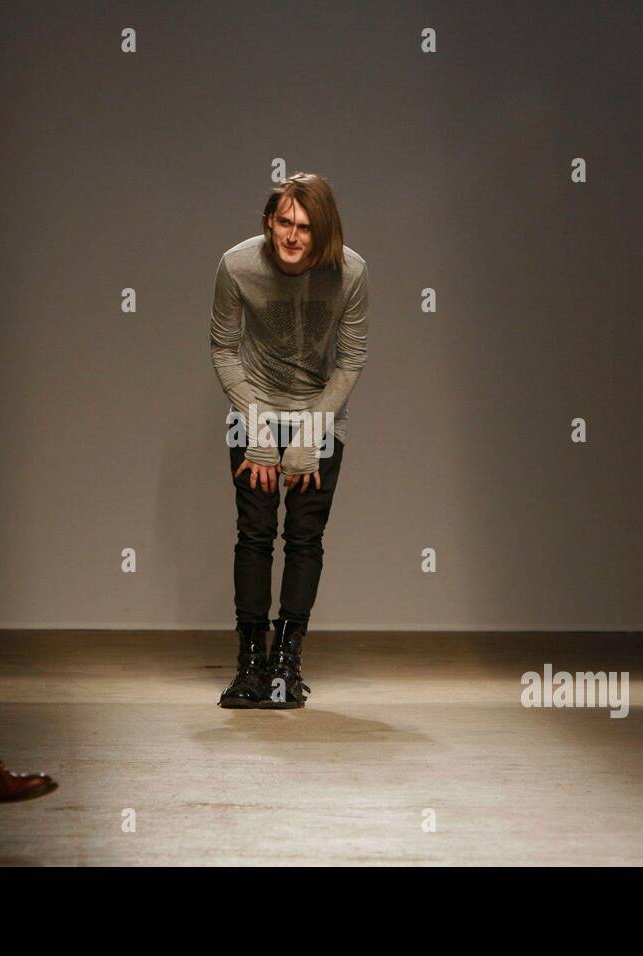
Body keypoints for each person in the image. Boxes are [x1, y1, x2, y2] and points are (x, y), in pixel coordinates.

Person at [209, 172, 369, 709]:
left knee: (304, 539)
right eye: (284, 222)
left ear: (323, 230)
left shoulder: (351, 273)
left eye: (304, 226)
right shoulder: (236, 265)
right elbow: (224, 349)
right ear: (268, 222)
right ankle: (250, 663)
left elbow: (349, 361)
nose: (292, 236)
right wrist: (256, 428)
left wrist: (310, 433)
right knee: (254, 535)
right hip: (252, 409)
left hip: (319, 412)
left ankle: (286, 664)